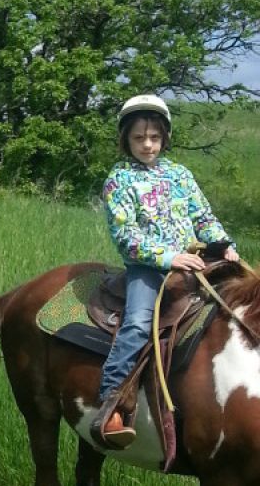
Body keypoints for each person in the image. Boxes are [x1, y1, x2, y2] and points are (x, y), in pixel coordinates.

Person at [96, 93, 238, 448]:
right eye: (139, 138)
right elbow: (125, 236)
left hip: (195, 263)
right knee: (139, 323)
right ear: (126, 139)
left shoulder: (179, 174)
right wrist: (168, 257)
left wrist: (223, 244)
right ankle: (111, 402)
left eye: (154, 137)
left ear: (164, 138)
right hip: (149, 268)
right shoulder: (119, 179)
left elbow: (202, 217)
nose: (147, 145)